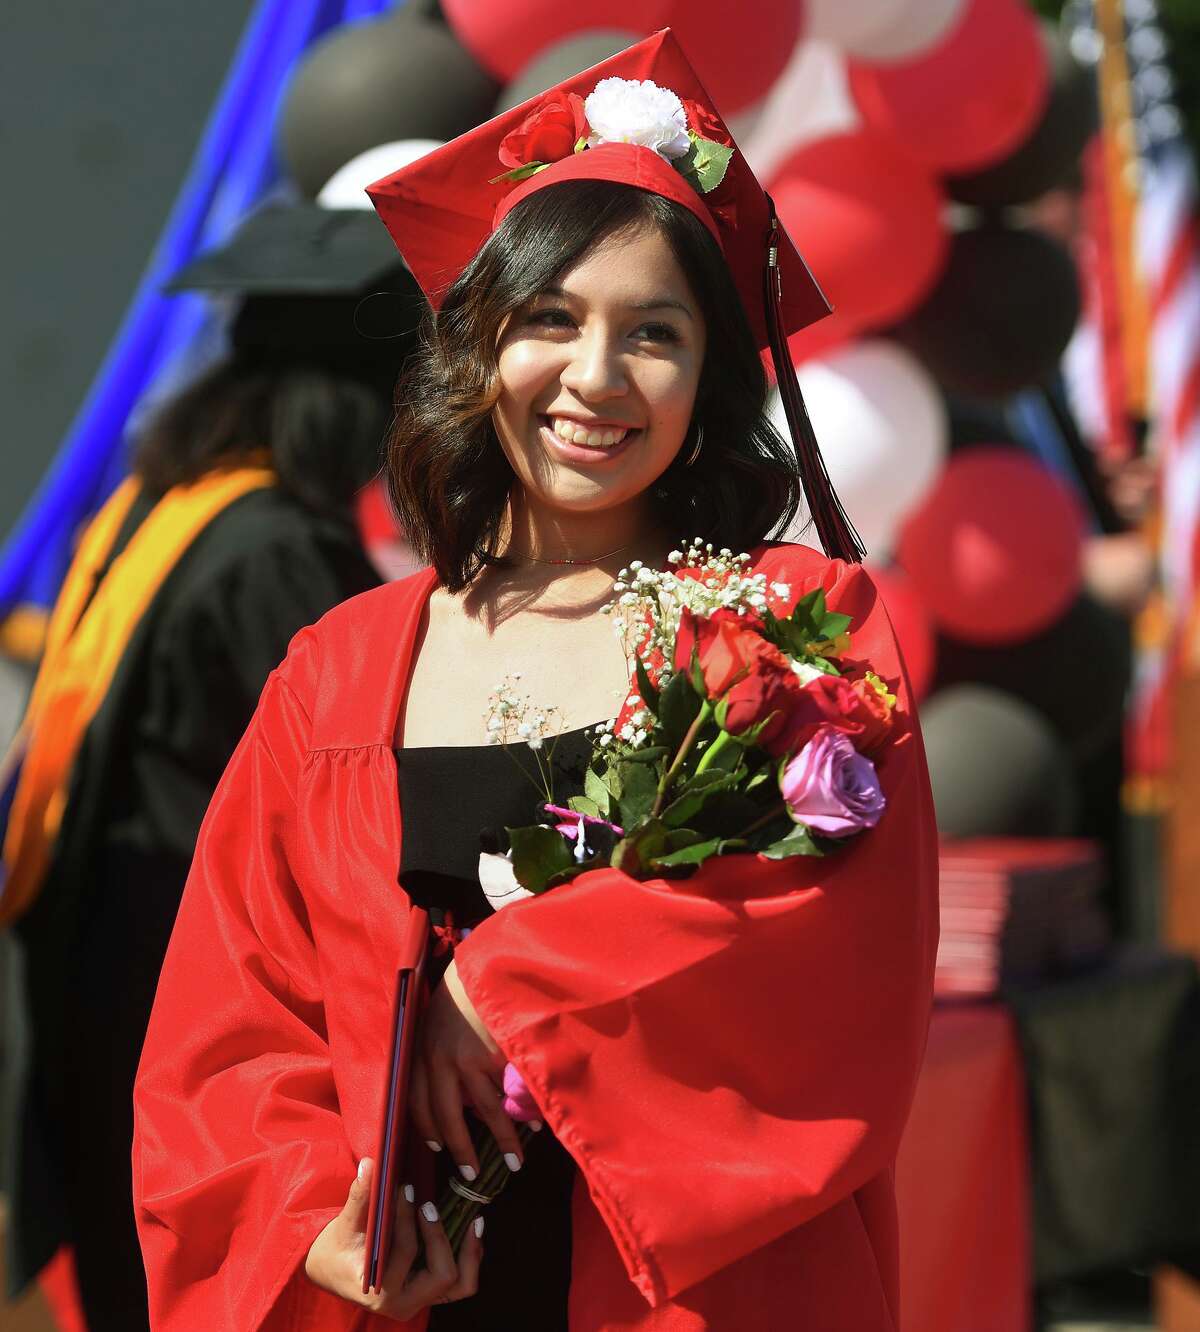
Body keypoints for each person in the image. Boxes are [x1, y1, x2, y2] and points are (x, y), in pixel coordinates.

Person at [133, 31, 938, 1331]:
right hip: (411, 1295)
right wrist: (312, 1216)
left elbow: (821, 950)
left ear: (707, 379)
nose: (595, 377)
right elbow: (231, 1022)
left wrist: (501, 994)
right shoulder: (336, 670)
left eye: (655, 334)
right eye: (550, 319)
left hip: (690, 1295)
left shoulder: (787, 630)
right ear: (478, 347)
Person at [1, 202, 413, 1329]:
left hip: (90, 956)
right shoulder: (275, 551)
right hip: (179, 981)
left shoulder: (159, 502)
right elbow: (342, 790)